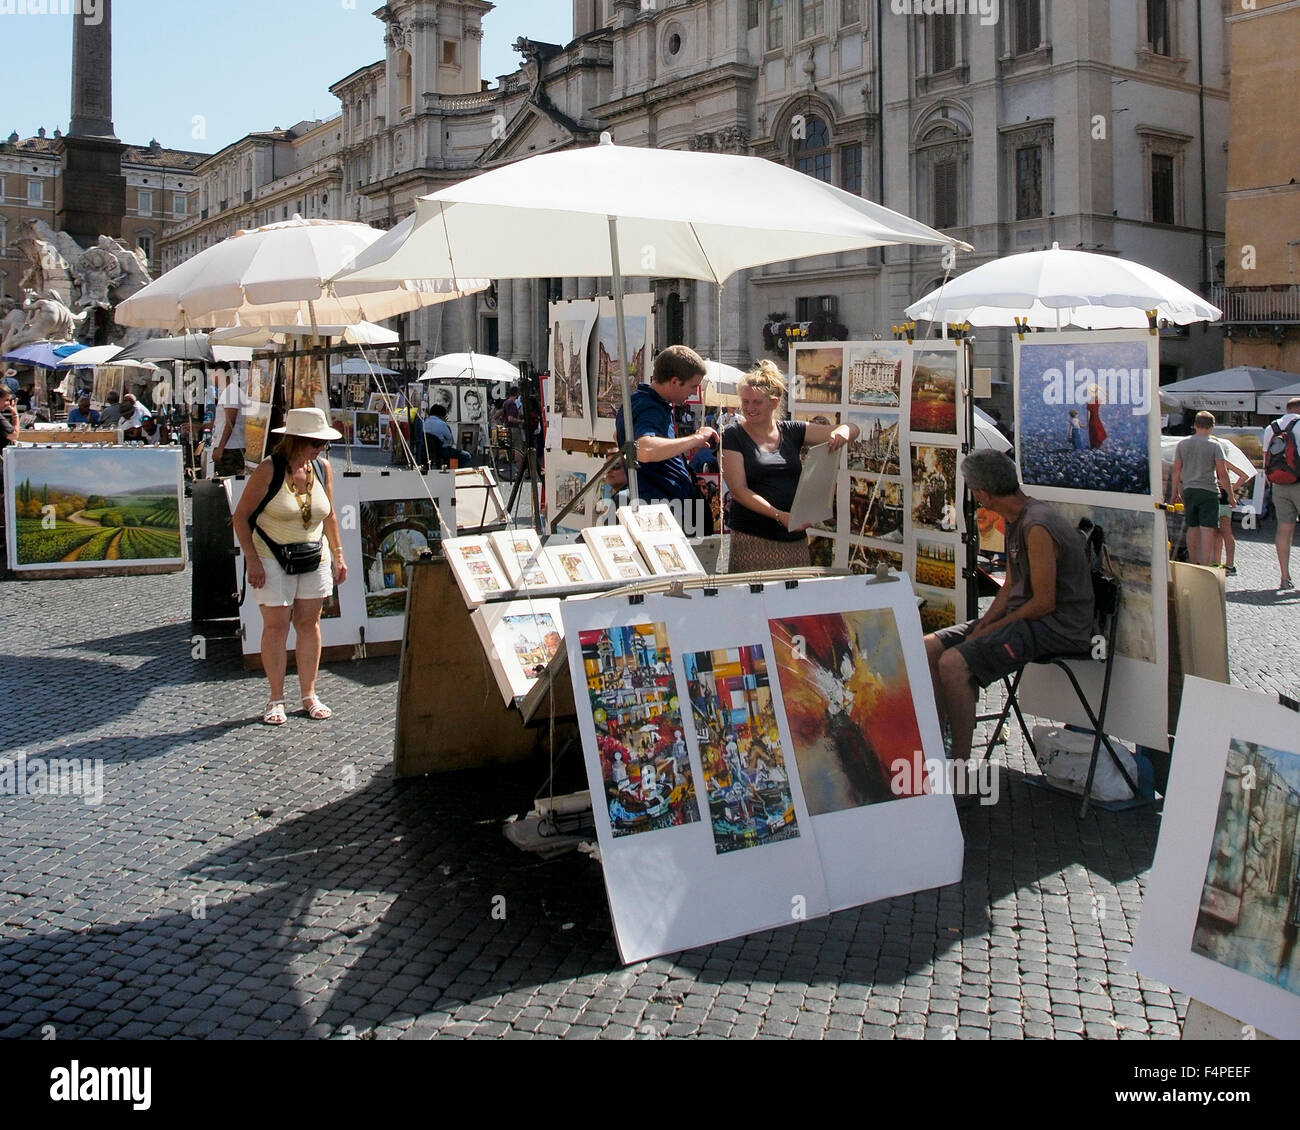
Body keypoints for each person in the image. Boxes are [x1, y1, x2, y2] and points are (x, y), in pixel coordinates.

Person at [925, 451, 1095, 764]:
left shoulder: (1036, 525)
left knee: (952, 663)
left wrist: (991, 628)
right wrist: (982, 624)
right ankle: (937, 743)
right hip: (1030, 617)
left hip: (1056, 627)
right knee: (929, 648)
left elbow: (1044, 603)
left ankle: (958, 770)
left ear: (982, 493)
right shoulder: (1016, 519)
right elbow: (1011, 587)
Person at [231, 408, 346, 726]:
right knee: (277, 625)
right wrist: (252, 559)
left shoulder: (322, 468)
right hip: (271, 556)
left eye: (323, 444)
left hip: (313, 556)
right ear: (295, 441)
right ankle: (276, 697)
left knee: (309, 625)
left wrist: (339, 554)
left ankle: (309, 694)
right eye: (315, 443)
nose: (320, 449)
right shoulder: (269, 469)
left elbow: (330, 515)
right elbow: (240, 517)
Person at [720, 359, 857, 572]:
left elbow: (851, 428)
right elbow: (738, 491)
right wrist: (779, 515)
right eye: (745, 402)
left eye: (756, 402)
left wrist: (843, 432)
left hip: (794, 534)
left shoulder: (792, 430)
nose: (749, 408)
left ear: (774, 403)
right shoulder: (733, 434)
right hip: (754, 535)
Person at [614, 344, 718, 535]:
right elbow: (643, 449)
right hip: (661, 510)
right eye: (693, 386)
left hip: (663, 506)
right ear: (675, 381)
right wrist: (694, 439)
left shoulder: (638, 401)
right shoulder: (651, 408)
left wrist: (679, 446)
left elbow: (619, 437)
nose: (694, 393)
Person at [1171, 410, 1233, 566]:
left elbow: (1176, 470)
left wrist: (1174, 493)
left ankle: (1193, 560)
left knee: (1192, 526)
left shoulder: (1182, 444)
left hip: (1189, 489)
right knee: (1208, 528)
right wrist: (1231, 496)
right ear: (1212, 426)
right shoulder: (1214, 445)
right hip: (1208, 490)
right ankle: (1205, 563)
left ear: (1194, 425)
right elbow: (1222, 474)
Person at [1267, 395, 1300, 593]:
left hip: (1279, 484)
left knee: (1283, 530)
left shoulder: (1271, 428)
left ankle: (1284, 577)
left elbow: (1266, 459)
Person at [1211, 434, 1252, 576]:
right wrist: (1231, 489)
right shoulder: (1223, 462)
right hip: (1224, 499)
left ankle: (1227, 563)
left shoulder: (1218, 461)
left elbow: (1244, 475)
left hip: (1219, 500)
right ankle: (1221, 563)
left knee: (1223, 533)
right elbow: (1244, 475)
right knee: (1221, 533)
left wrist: (1231, 488)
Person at [211, 364, 248, 477]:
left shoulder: (231, 392)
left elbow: (230, 421)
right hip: (227, 447)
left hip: (230, 448)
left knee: (227, 482)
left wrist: (221, 448)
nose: (211, 377)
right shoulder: (226, 392)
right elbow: (222, 422)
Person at [422, 402, 473, 466]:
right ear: (442, 415)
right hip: (442, 451)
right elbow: (450, 440)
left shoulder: (425, 423)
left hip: (426, 452)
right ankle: (453, 469)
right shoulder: (442, 424)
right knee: (466, 456)